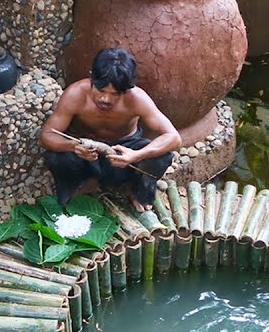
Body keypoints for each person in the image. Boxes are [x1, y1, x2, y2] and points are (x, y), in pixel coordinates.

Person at [39, 47, 181, 211]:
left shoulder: (137, 98)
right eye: (100, 90)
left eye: (115, 94)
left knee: (161, 156)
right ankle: (82, 186)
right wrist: (73, 146)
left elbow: (174, 138)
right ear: (92, 77)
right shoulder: (75, 94)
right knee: (56, 157)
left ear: (126, 89)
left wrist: (136, 155)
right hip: (87, 154)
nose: (105, 99)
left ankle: (136, 191)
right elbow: (47, 136)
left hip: (124, 152)